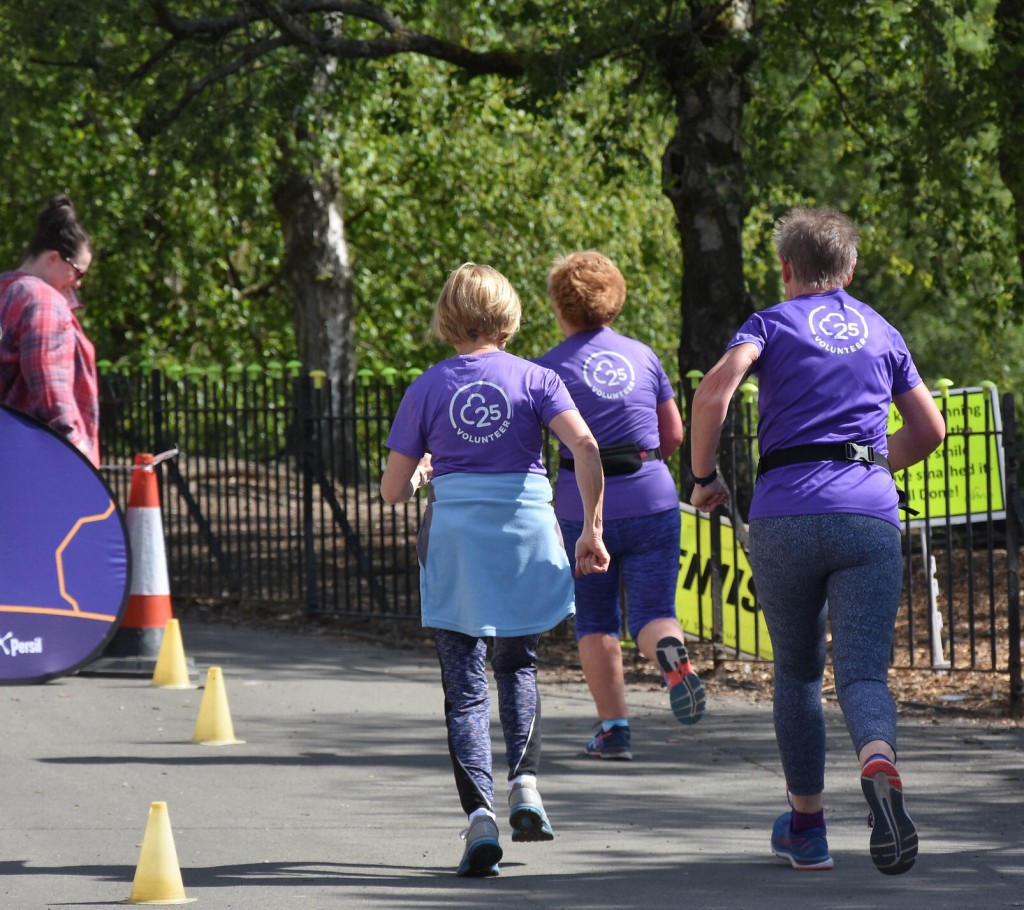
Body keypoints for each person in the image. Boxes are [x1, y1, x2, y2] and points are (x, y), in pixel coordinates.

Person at [689, 207, 945, 875]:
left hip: (786, 515)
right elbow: (930, 431)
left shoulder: (770, 323)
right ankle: (878, 760)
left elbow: (714, 393)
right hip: (867, 515)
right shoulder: (882, 330)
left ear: (785, 269)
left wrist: (704, 476)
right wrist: (868, 462)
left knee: (799, 674)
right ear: (850, 269)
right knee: (862, 672)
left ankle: (807, 829)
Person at [380, 262, 610, 878]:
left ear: (447, 317)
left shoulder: (426, 388)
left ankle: (480, 816)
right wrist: (591, 528)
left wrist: (427, 469)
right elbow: (584, 447)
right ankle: (527, 787)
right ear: (507, 315)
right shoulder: (537, 378)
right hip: (524, 531)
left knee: (464, 683)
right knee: (519, 661)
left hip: (458, 539)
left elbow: (393, 491)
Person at [535, 250, 705, 762]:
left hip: (584, 509)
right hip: (653, 494)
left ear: (561, 307)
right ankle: (673, 660)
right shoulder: (643, 355)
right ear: (615, 299)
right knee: (655, 612)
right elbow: (672, 433)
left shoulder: (546, 369)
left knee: (596, 620)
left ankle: (615, 730)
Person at [0, 194, 98, 467]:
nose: (78, 284)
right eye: (79, 273)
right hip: (39, 463)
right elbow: (50, 385)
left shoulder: (6, 290)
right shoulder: (43, 300)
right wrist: (78, 454)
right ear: (54, 258)